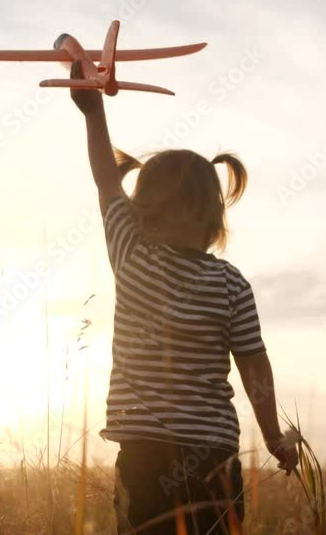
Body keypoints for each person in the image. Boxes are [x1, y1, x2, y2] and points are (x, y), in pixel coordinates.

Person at [67, 60, 297, 535]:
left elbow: (106, 181)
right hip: (215, 456)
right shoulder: (231, 283)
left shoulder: (132, 254)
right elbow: (254, 366)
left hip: (146, 453)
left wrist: (93, 112)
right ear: (214, 215)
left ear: (143, 208)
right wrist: (273, 436)